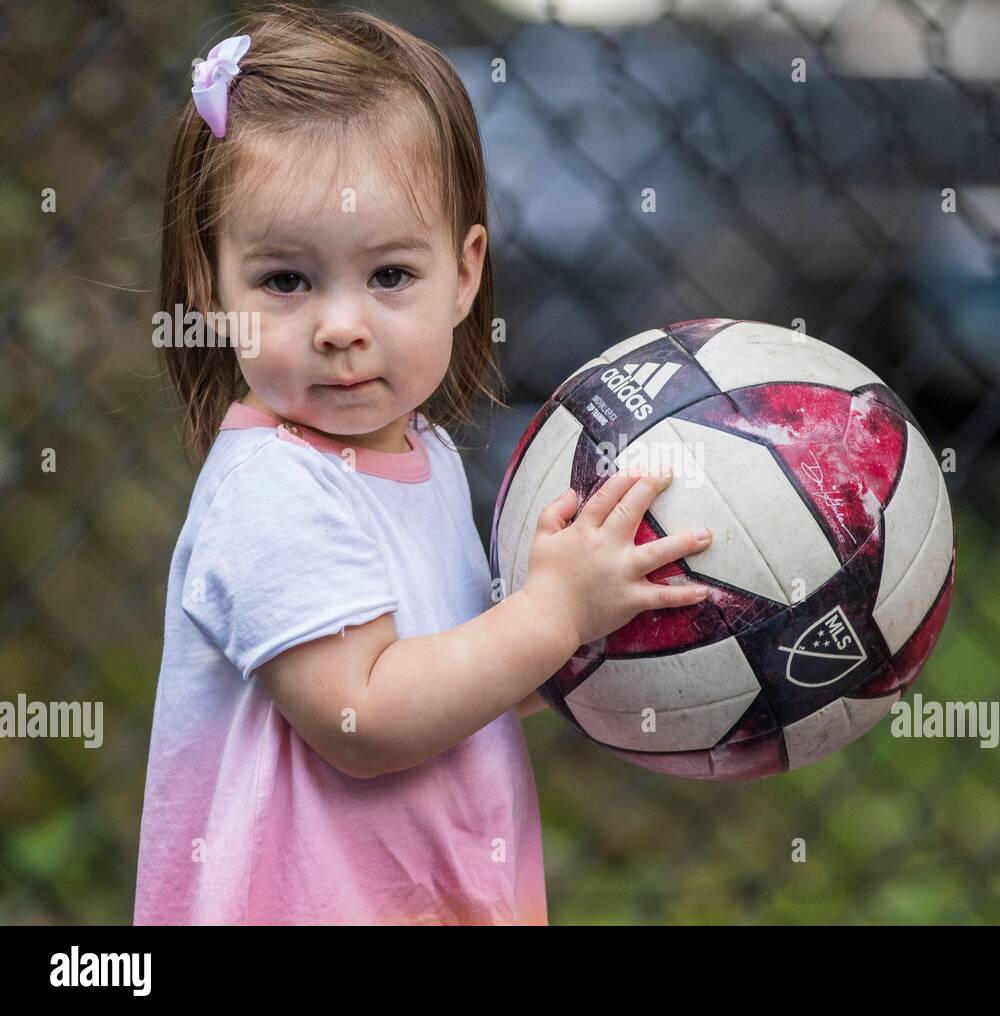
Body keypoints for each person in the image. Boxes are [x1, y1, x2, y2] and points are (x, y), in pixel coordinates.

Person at [134, 2, 713, 925]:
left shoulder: (426, 456)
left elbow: (451, 679)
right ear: (210, 289)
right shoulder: (272, 487)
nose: (340, 326)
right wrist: (551, 612)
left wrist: (586, 635)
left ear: (465, 272)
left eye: (390, 276)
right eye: (285, 280)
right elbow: (366, 717)